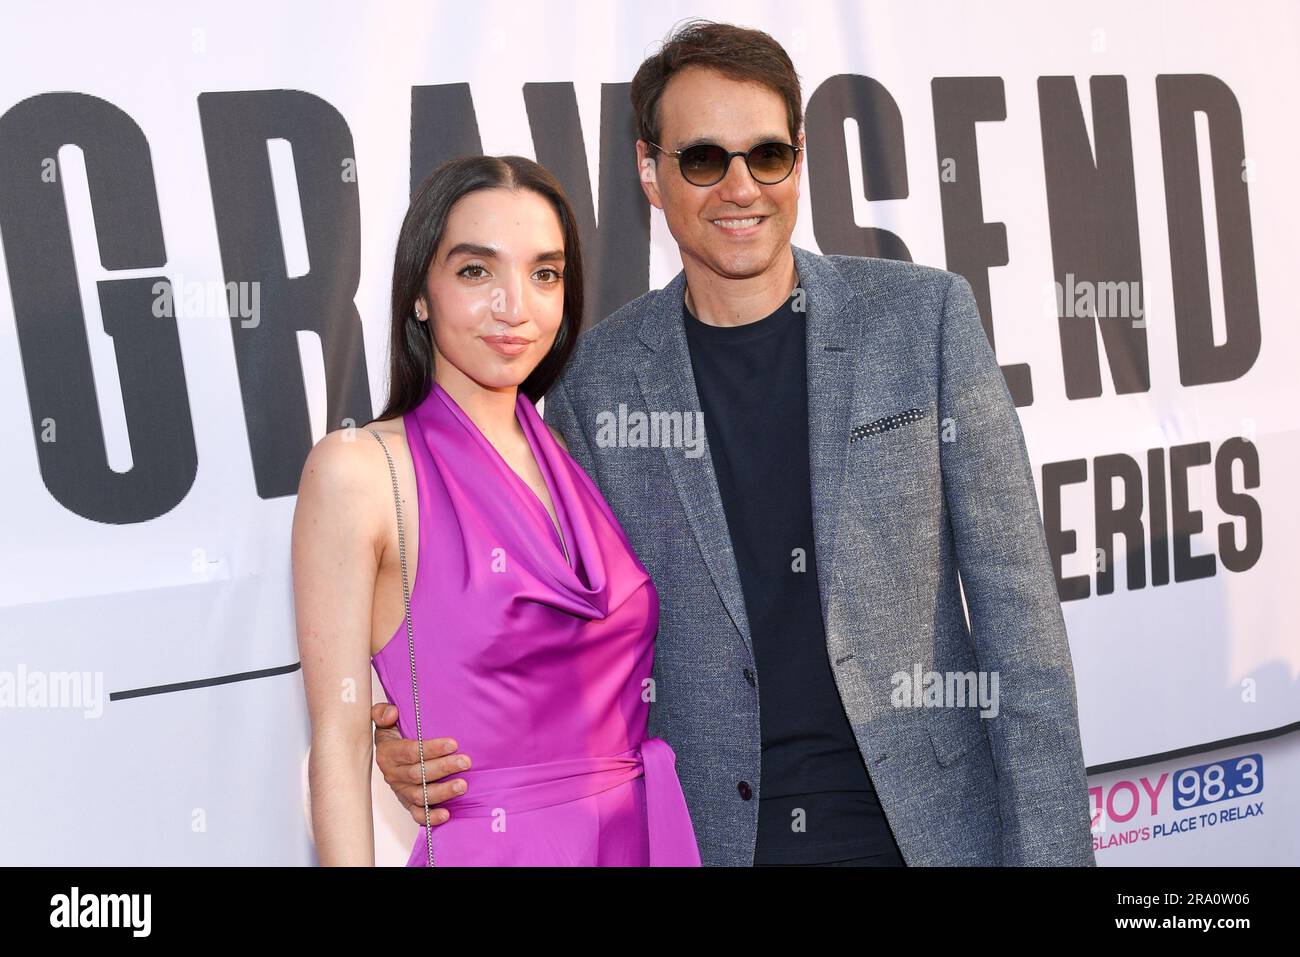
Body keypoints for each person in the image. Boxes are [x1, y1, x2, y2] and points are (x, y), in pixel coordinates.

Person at [374, 19, 1096, 866]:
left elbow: (1024, 627)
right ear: (650, 171)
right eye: (705, 159)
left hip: (930, 831)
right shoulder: (593, 381)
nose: (741, 187)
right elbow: (538, 635)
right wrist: (400, 728)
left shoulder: (923, 320)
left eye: (767, 155)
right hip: (710, 838)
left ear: (800, 156)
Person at [293, 154, 700, 866]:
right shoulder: (360, 471)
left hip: (640, 837)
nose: (516, 306)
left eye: (545, 273)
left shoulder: (580, 450)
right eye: (476, 271)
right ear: (420, 292)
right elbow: (340, 738)